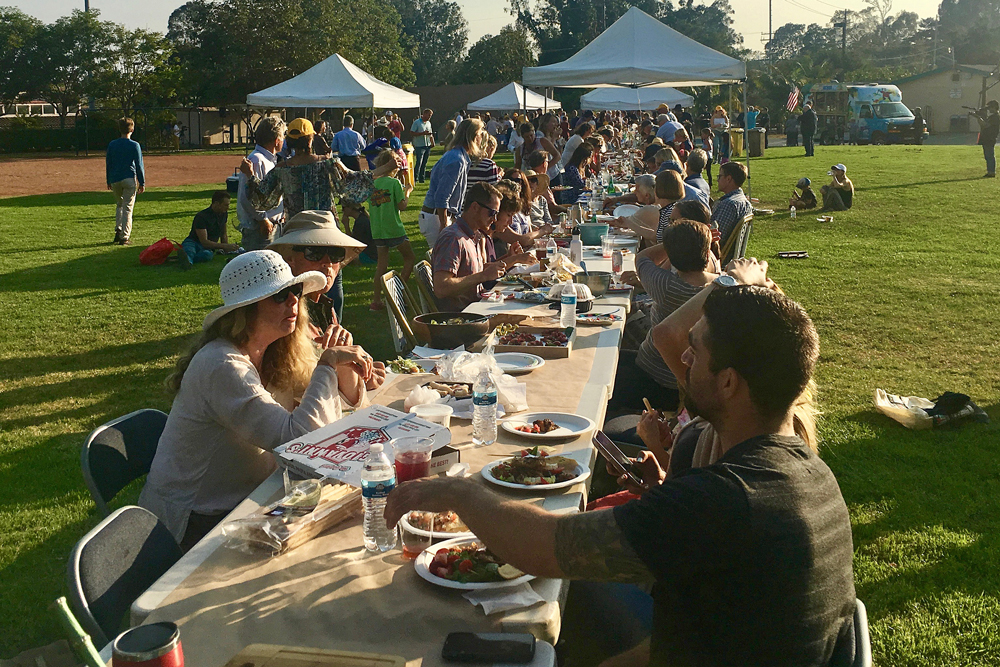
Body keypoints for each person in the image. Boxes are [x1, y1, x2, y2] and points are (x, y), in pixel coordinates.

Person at [385, 259, 857, 667]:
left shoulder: (722, 501)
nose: (684, 356)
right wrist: (661, 494)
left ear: (730, 383)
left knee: (532, 615)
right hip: (717, 646)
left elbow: (545, 548)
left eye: (697, 350)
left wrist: (456, 491)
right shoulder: (811, 472)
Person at [139, 249, 374, 549]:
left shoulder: (277, 349)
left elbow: (344, 407)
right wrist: (327, 365)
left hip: (256, 497)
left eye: (294, 291)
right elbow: (301, 444)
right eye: (279, 295)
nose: (293, 301)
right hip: (196, 525)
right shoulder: (221, 365)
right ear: (246, 310)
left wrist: (345, 367)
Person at [609, 221, 718, 420]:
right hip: (685, 378)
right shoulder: (719, 284)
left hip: (657, 380)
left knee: (601, 378)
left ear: (671, 253)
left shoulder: (667, 286)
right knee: (611, 360)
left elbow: (642, 257)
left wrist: (670, 243)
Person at [431, 182, 507, 311]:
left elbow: (469, 271)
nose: (495, 219)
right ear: (475, 207)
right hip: (461, 319)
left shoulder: (473, 235)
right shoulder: (453, 238)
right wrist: (483, 276)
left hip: (478, 308)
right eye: (492, 213)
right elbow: (441, 288)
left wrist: (492, 269)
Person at [420, 118, 485, 247]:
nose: (481, 139)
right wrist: (444, 226)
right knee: (443, 261)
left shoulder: (460, 157)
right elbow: (442, 196)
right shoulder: (457, 160)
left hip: (440, 215)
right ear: (472, 137)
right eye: (479, 135)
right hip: (437, 216)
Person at [367, 150, 415, 312]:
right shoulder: (394, 183)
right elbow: (402, 206)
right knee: (409, 258)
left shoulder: (372, 183)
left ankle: (376, 300)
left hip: (377, 230)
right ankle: (398, 292)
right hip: (393, 228)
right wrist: (407, 192)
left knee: (381, 265)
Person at [238, 116, 285, 251]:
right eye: (283, 136)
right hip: (261, 229)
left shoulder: (269, 159)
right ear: (276, 140)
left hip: (272, 225)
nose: (283, 140)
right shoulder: (257, 160)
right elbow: (247, 196)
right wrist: (262, 219)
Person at [106, 117, 145, 246]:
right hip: (128, 178)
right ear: (132, 129)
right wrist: (142, 182)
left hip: (115, 178)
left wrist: (108, 179)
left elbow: (109, 163)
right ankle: (124, 236)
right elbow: (139, 165)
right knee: (128, 207)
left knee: (119, 204)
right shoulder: (134, 145)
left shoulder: (112, 144)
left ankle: (118, 230)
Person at [181, 191, 239, 265]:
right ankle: (188, 261)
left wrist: (227, 249)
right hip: (194, 242)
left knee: (207, 255)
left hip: (208, 248)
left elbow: (223, 233)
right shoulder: (202, 216)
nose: (228, 208)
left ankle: (187, 259)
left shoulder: (224, 214)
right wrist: (225, 246)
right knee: (190, 250)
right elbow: (204, 242)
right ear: (217, 204)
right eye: (225, 205)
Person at [712, 161, 753, 247]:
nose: (718, 180)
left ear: (728, 179)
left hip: (717, 255)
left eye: (720, 176)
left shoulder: (728, 205)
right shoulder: (745, 202)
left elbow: (716, 238)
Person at [974, 100, 999, 178]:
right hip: (988, 138)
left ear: (994, 107)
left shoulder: (995, 117)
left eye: (990, 107)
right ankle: (990, 171)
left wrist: (978, 118)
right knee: (988, 156)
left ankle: (991, 172)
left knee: (989, 156)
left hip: (990, 138)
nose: (989, 109)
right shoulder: (993, 117)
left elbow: (985, 125)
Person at [410, 108, 435, 183]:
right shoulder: (417, 122)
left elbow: (430, 133)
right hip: (419, 145)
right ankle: (415, 177)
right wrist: (422, 133)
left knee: (424, 162)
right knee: (419, 162)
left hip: (427, 145)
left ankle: (422, 178)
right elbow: (412, 132)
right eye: (428, 115)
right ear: (424, 114)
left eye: (430, 115)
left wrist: (432, 141)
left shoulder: (428, 123)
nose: (429, 117)